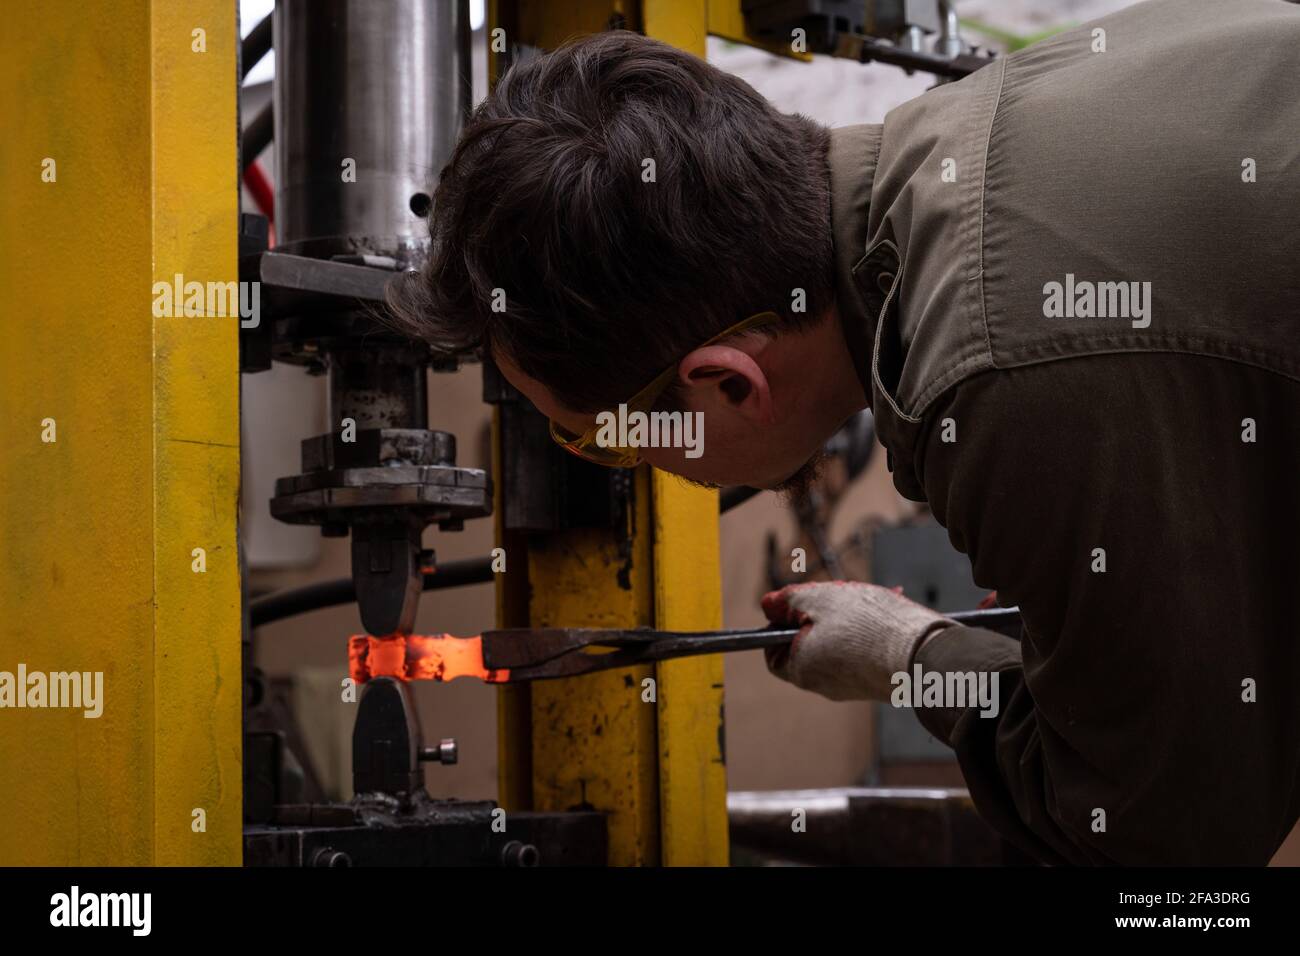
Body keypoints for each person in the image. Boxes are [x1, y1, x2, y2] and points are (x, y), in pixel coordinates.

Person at [388, 0, 1300, 864]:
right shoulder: (992, 127)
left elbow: (1165, 844)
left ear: (726, 383)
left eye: (606, 442)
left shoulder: (999, 375)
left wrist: (919, 656)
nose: (640, 473)